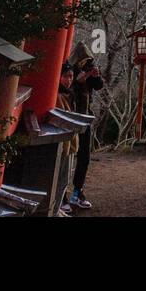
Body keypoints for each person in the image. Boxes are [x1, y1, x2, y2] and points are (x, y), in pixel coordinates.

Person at [67, 40, 104, 210]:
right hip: (69, 114)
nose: (86, 63)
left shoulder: (89, 67)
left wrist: (95, 76)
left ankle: (78, 190)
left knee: (84, 156)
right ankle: (62, 195)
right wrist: (77, 80)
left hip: (85, 115)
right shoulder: (68, 69)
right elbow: (65, 87)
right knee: (66, 156)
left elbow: (98, 86)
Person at [55, 63, 77, 216]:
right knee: (59, 179)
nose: (68, 80)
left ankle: (57, 208)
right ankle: (54, 209)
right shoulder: (55, 95)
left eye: (71, 77)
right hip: (61, 142)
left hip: (70, 142)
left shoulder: (70, 94)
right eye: (65, 76)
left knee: (64, 179)